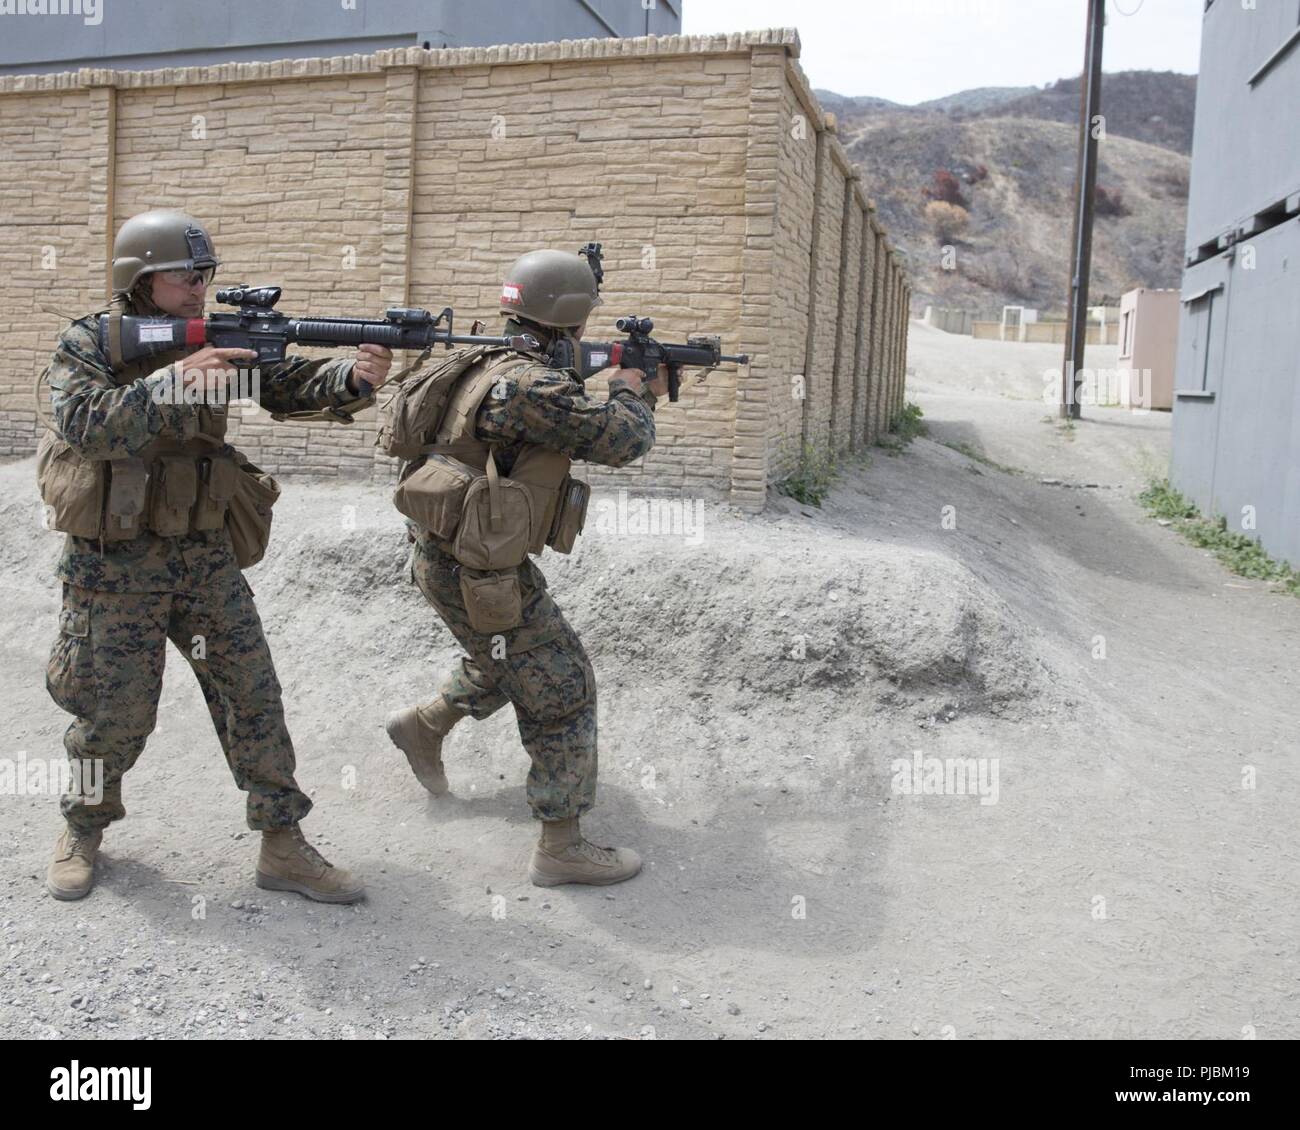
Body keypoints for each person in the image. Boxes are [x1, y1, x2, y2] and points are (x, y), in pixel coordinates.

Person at [39, 209, 393, 903]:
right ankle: (82, 825)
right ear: (140, 278)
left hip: (203, 555)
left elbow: (282, 387)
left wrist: (352, 378)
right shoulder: (92, 341)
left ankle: (283, 845)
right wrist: (175, 381)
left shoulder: (219, 340)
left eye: (207, 275)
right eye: (186, 275)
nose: (201, 287)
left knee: (252, 695)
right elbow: (83, 423)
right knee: (114, 715)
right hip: (114, 566)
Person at [385, 248, 667, 886]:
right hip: (478, 569)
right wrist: (631, 390)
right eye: (582, 324)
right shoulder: (531, 383)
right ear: (566, 321)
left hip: (456, 554)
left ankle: (422, 728)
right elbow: (623, 440)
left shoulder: (483, 357)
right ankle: (561, 847)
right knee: (562, 685)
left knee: (511, 660)